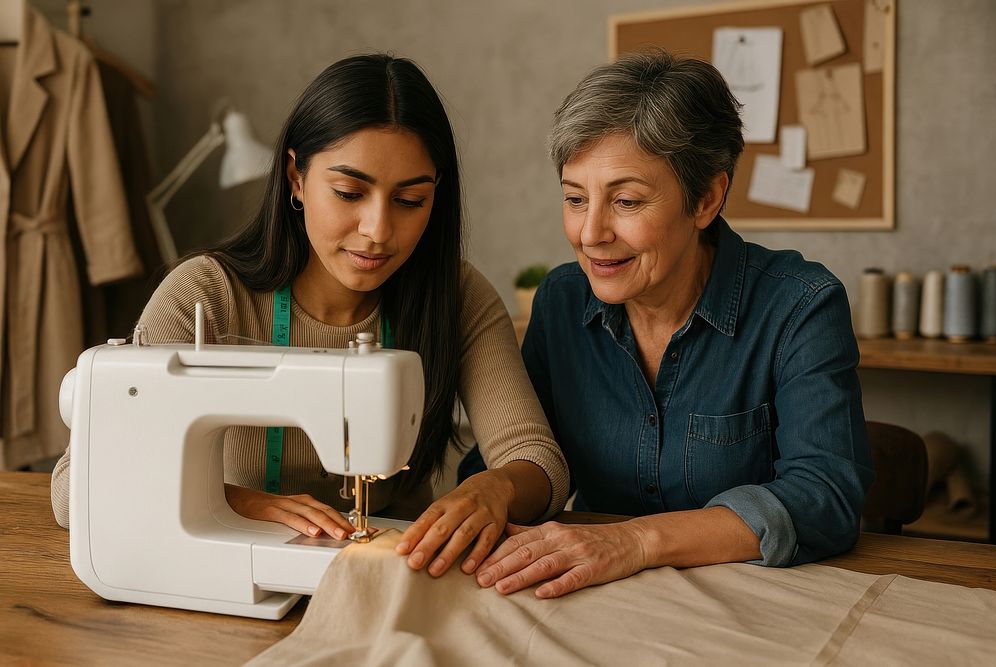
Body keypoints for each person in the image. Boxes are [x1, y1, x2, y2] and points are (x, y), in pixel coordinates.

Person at [51, 54, 569, 579]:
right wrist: (229, 502)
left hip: (395, 582)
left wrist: (495, 486)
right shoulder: (204, 297)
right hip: (224, 580)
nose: (377, 229)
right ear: (296, 178)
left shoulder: (456, 296)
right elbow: (75, 487)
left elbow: (537, 460)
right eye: (349, 193)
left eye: (411, 200)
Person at [470, 50, 874, 599]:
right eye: (573, 198)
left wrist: (636, 542)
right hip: (595, 600)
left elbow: (825, 497)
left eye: (627, 201)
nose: (590, 233)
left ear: (706, 198)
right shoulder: (562, 301)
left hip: (758, 607)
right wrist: (488, 489)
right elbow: (525, 453)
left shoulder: (800, 305)